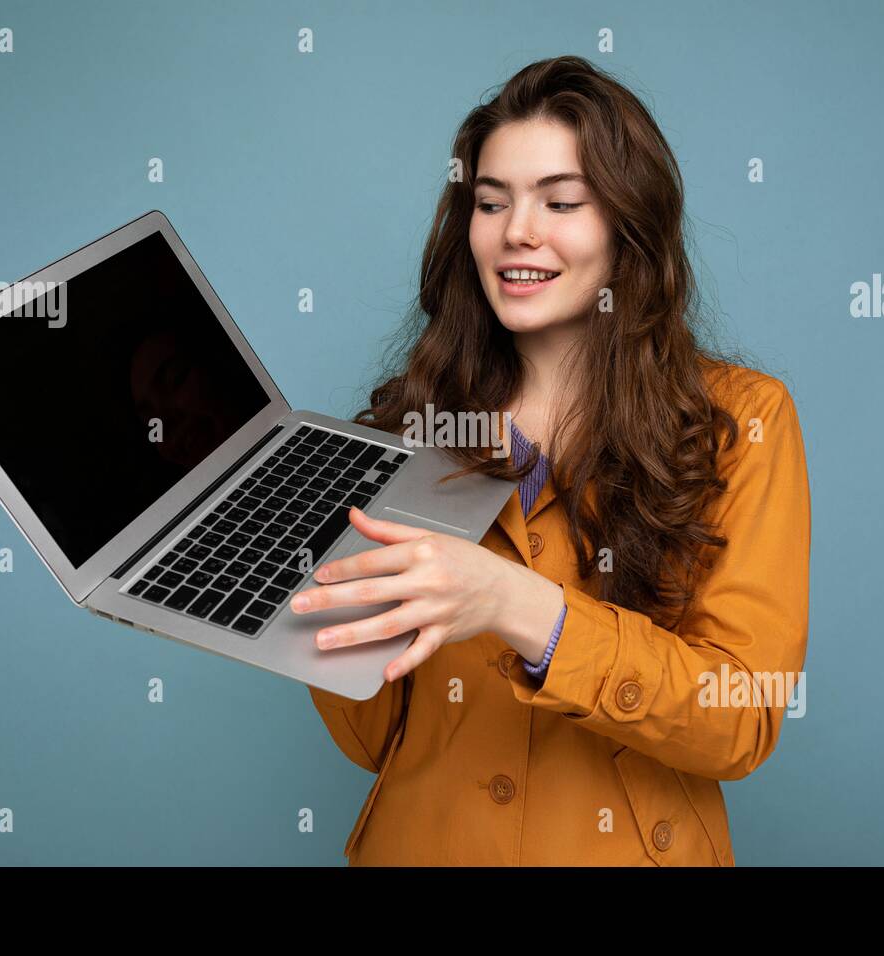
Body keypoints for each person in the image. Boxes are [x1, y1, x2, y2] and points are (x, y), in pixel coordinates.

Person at [300, 55, 811, 866]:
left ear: (628, 224)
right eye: (491, 202)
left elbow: (739, 717)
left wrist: (518, 604)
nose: (516, 233)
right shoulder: (411, 428)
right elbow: (378, 741)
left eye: (561, 201)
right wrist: (300, 597)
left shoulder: (740, 421)